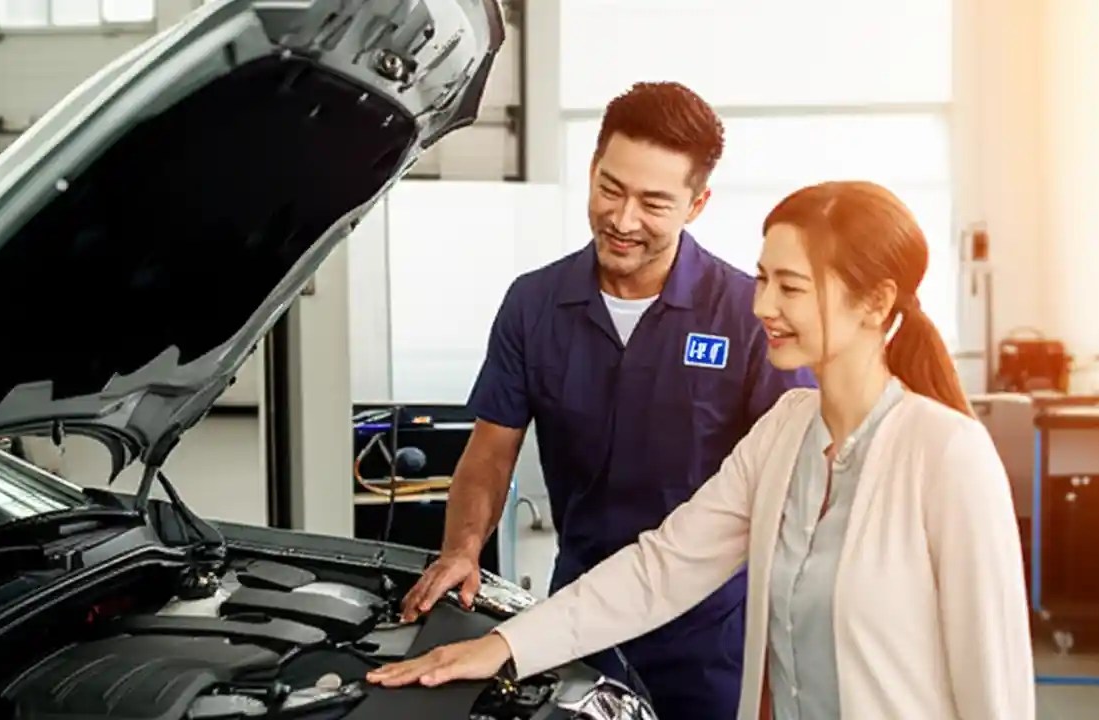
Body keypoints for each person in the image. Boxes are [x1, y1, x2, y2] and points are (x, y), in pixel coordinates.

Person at [368, 180, 1037, 720]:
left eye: (791, 287)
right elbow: (663, 568)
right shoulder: (786, 430)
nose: (762, 305)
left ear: (874, 302)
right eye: (762, 278)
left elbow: (994, 689)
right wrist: (505, 647)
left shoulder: (946, 455)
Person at [395, 81, 816, 720]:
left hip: (707, 634)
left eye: (653, 203)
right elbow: (490, 452)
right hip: (577, 616)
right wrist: (462, 548)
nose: (622, 220)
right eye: (610, 189)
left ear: (697, 204)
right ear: (591, 170)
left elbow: (795, 492)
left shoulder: (750, 317)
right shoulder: (533, 305)